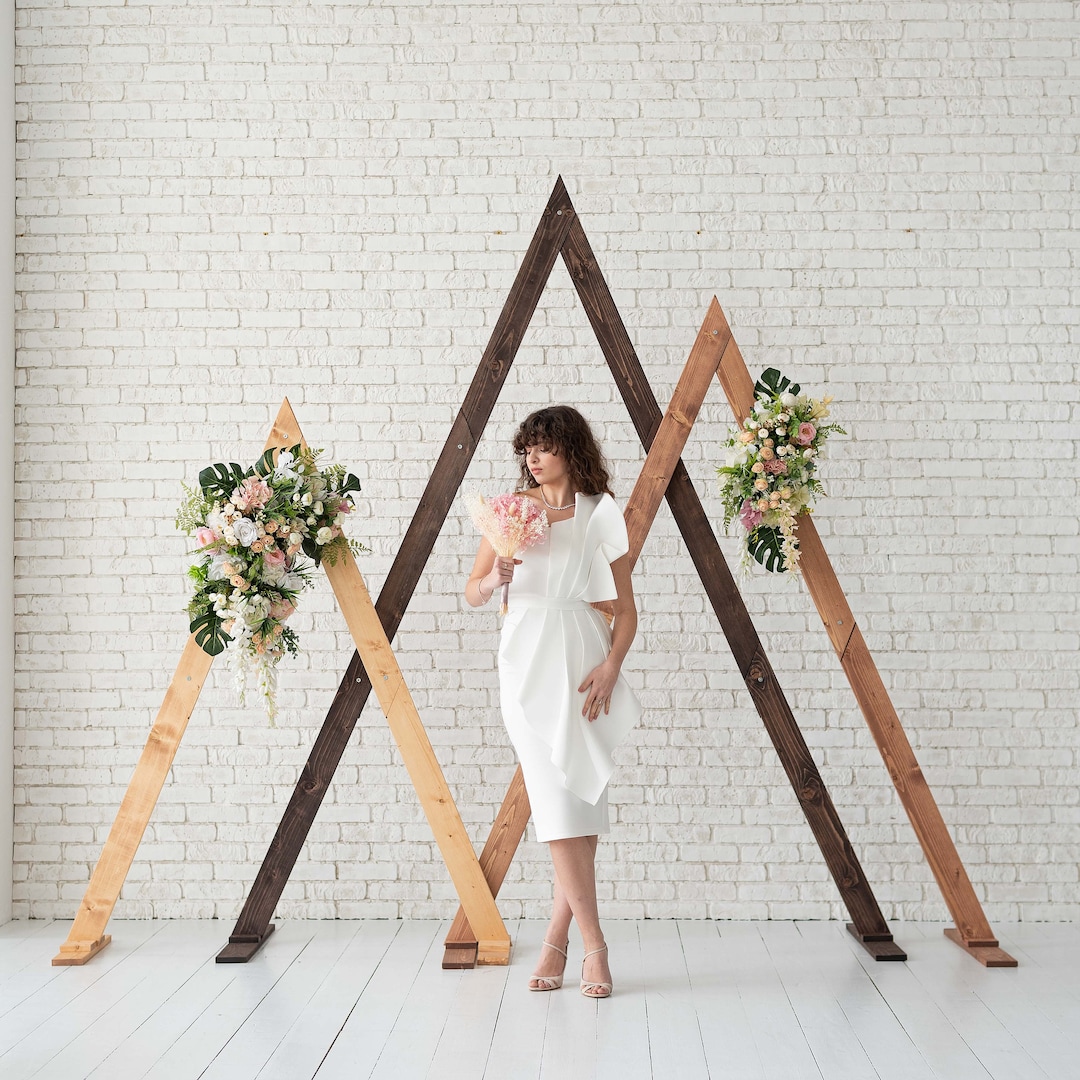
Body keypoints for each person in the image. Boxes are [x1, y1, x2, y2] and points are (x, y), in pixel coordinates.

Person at [466, 406, 641, 1000]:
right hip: (524, 663)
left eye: (543, 447)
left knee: (579, 803)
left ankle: (556, 939)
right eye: (527, 450)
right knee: (553, 798)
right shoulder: (511, 512)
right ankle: (596, 946)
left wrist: (611, 668)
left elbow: (626, 610)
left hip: (583, 660)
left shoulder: (600, 513)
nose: (532, 459)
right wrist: (497, 579)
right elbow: (472, 591)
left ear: (570, 449)